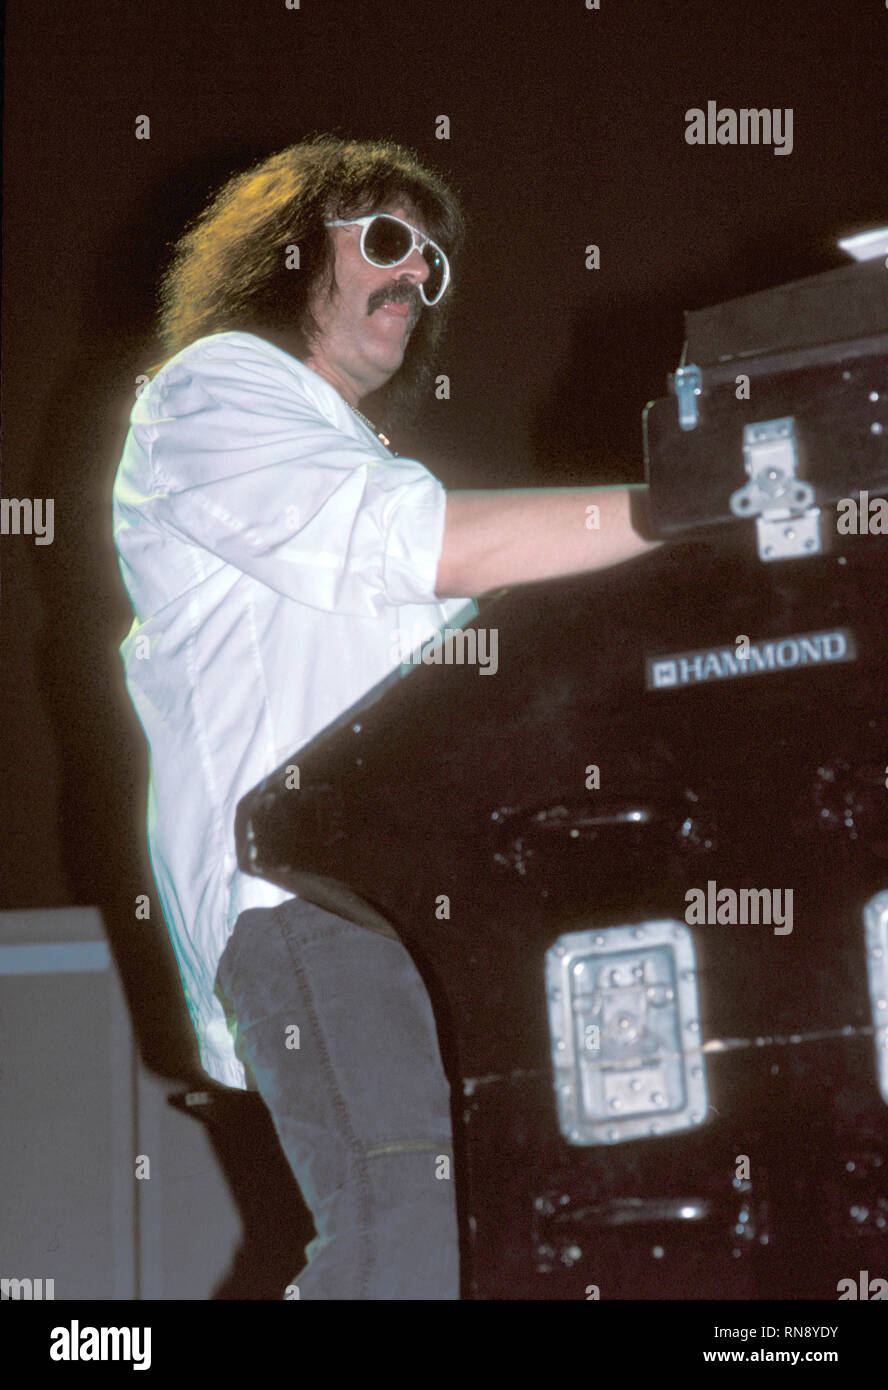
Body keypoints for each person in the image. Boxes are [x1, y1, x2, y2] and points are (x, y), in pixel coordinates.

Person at [112, 135, 659, 1300]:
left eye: (434, 268)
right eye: (390, 242)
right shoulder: (217, 390)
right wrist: (698, 505)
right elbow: (432, 543)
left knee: (444, 1239)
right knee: (409, 1237)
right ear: (287, 248)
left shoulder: (341, 450)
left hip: (400, 917)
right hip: (311, 906)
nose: (418, 281)